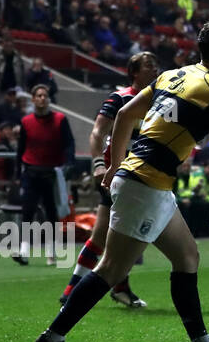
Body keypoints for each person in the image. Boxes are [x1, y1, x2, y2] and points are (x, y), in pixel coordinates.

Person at [32, 18, 209, 342]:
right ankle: (52, 339)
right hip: (146, 185)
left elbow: (124, 115)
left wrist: (114, 166)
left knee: (187, 257)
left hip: (148, 182)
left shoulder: (174, 75)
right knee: (110, 268)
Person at [59, 52, 159, 307]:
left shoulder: (158, 102)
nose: (154, 68)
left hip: (143, 176)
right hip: (119, 174)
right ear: (134, 72)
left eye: (155, 64)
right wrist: (98, 164)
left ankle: (113, 288)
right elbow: (97, 131)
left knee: (119, 236)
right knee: (109, 236)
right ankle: (74, 290)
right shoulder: (120, 97)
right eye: (148, 65)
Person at [12, 84, 75, 265]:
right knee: (28, 211)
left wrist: (69, 163)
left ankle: (51, 252)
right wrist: (17, 173)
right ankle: (23, 250)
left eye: (44, 95)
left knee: (51, 213)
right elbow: (21, 148)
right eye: (38, 95)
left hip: (52, 173)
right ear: (33, 99)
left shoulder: (60, 119)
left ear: (48, 99)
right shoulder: (26, 122)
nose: (42, 98)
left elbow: (69, 143)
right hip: (31, 171)